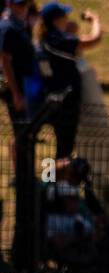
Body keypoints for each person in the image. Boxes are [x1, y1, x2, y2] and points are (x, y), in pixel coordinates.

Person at [36, 2, 101, 158]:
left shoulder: (46, 38)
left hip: (53, 97)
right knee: (64, 148)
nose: (66, 18)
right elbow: (93, 39)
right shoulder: (59, 39)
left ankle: (53, 180)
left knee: (62, 147)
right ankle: (54, 180)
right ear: (56, 19)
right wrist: (95, 20)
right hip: (66, 99)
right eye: (63, 15)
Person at [0, 0, 36, 159]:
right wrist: (16, 94)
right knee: (22, 132)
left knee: (27, 132)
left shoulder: (20, 25)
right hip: (16, 89)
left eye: (25, 5)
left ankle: (27, 176)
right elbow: (5, 60)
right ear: (10, 5)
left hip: (26, 85)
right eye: (20, 5)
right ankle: (21, 177)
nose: (24, 8)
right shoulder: (8, 27)